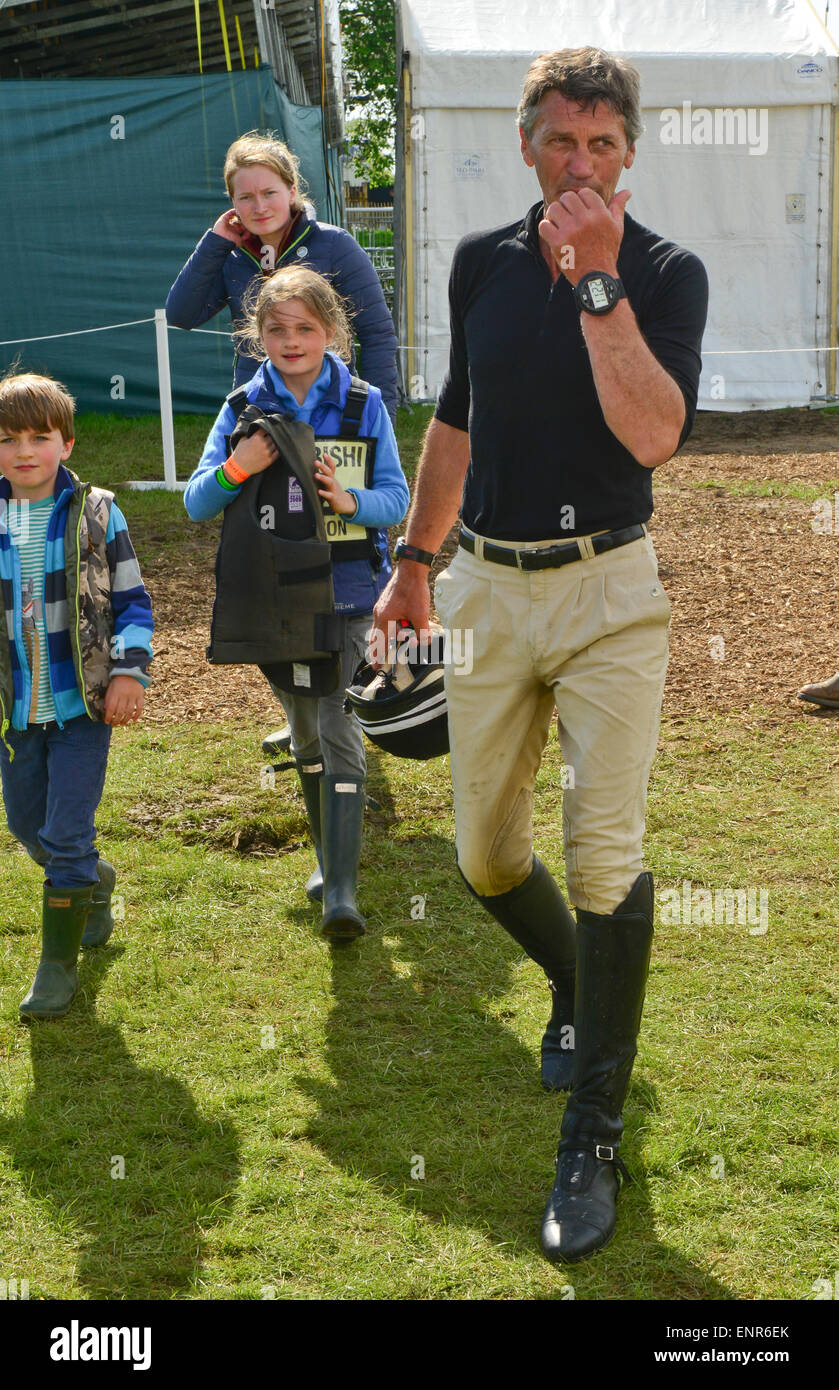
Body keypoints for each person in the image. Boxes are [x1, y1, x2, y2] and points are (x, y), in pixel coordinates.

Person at [372, 47, 708, 1263]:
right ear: (525, 147)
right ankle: (573, 983)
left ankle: (593, 1130)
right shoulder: (476, 264)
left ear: (630, 155)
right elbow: (456, 416)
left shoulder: (663, 273)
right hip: (486, 585)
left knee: (604, 853)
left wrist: (598, 286)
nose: (581, 166)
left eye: (603, 146)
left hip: (612, 592)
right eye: (561, 143)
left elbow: (654, 434)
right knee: (482, 853)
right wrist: (412, 567)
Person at [184, 266, 408, 940]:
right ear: (258, 337)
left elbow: (396, 500)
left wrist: (349, 501)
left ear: (331, 332)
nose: (290, 340)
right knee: (305, 731)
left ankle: (341, 890)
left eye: (305, 328)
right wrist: (238, 467)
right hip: (273, 600)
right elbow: (197, 501)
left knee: (338, 730)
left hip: (347, 596)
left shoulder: (364, 405)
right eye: (275, 329)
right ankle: (325, 856)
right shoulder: (240, 409)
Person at [0, 371, 154, 1021]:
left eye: (40, 436)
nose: (24, 451)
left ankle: (56, 967)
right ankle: (93, 880)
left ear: (66, 443)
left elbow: (133, 603)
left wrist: (128, 673)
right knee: (28, 828)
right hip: (15, 714)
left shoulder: (97, 511)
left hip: (81, 706)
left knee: (65, 832)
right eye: (8, 439)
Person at [166, 130, 399, 421]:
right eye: (246, 197)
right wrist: (214, 243)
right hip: (257, 414)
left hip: (330, 412)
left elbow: (377, 335)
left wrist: (380, 419)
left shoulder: (336, 245)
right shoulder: (230, 256)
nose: (259, 207)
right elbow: (180, 315)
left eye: (269, 193)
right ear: (233, 204)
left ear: (291, 191)